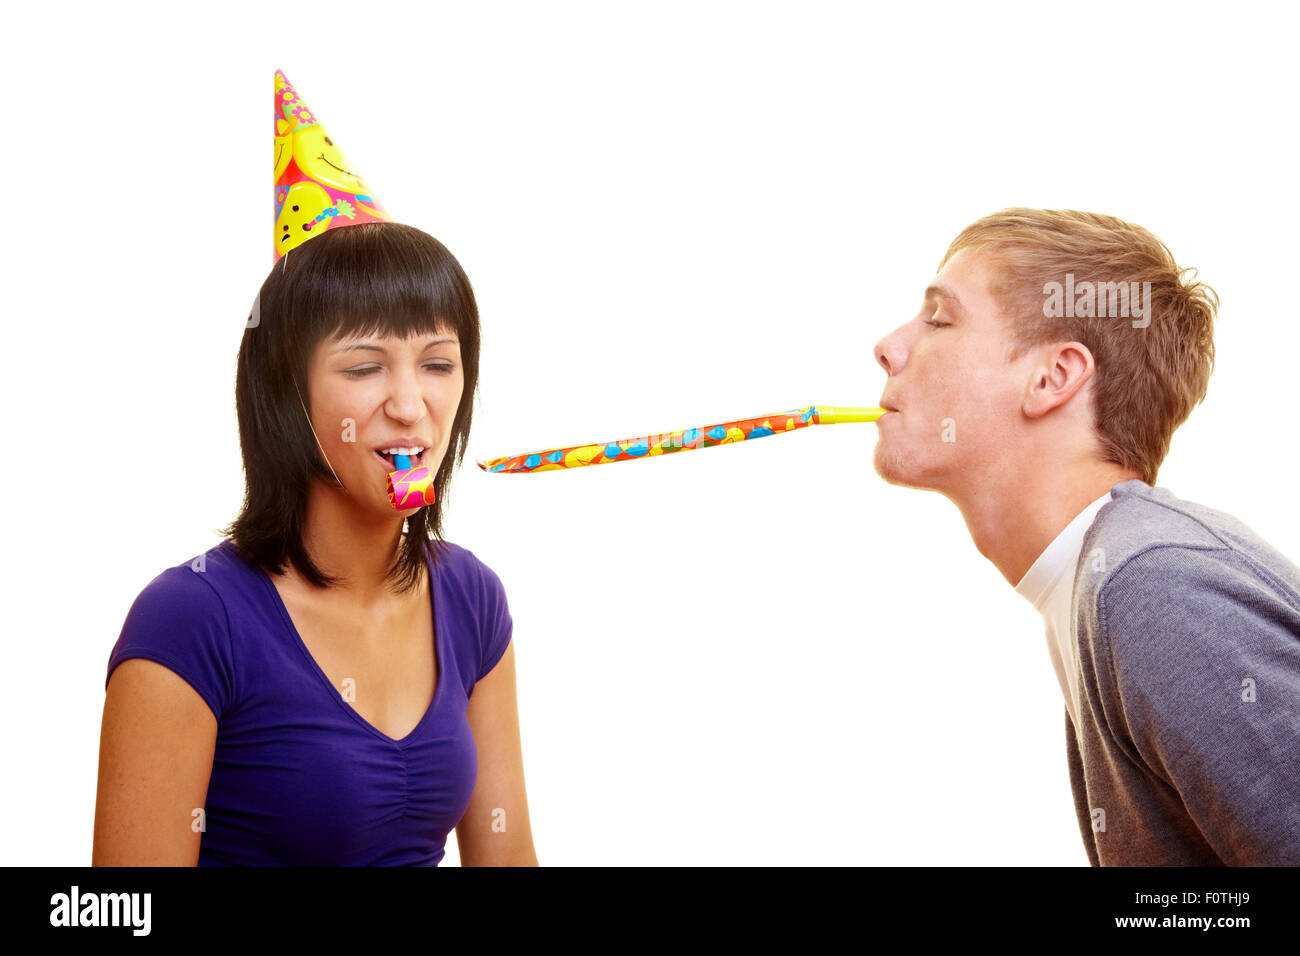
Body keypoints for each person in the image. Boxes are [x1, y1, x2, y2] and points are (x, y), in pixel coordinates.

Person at [94, 70, 536, 866]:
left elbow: (507, 860)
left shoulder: (473, 602)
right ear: (284, 394)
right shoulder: (190, 621)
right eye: (365, 368)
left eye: (438, 364)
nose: (410, 406)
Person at [871, 207, 1300, 865]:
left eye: (938, 319)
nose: (889, 348)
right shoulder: (1094, 586)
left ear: (1052, 378)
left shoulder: (1152, 585)